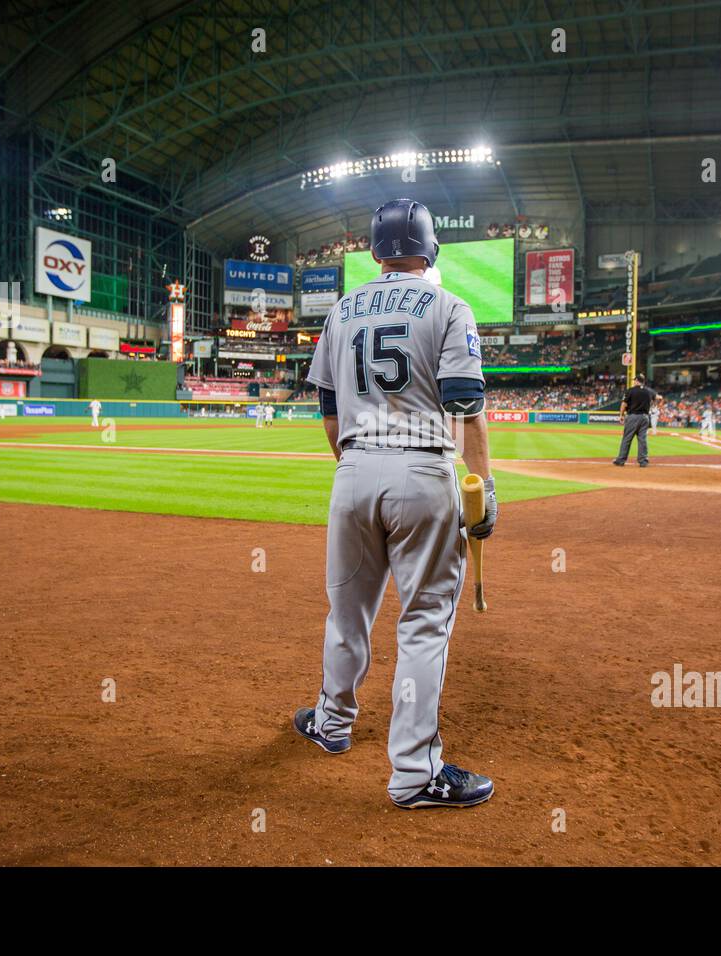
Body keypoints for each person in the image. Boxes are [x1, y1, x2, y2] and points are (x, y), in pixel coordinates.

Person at [293, 197, 497, 809]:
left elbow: (328, 412)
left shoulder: (341, 310)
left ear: (375, 251)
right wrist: (482, 488)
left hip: (352, 470)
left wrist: (357, 469)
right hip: (421, 471)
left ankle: (332, 724)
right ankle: (414, 773)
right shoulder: (449, 306)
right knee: (425, 623)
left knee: (346, 611)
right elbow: (465, 406)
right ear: (429, 250)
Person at [613, 373, 655, 467]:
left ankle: (621, 460)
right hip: (645, 417)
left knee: (627, 438)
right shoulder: (648, 392)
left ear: (636, 381)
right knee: (642, 439)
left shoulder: (631, 391)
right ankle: (643, 461)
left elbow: (624, 404)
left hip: (633, 416)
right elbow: (652, 402)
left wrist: (621, 415)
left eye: (634, 380)